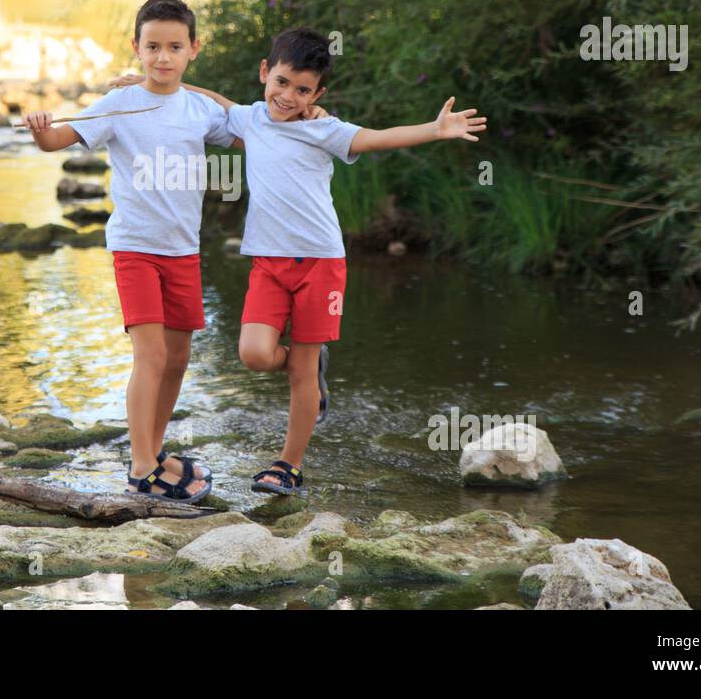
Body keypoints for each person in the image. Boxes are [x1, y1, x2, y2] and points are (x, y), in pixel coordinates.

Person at [130, 25, 487, 495]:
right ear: (265, 74)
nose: (288, 96)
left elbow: (377, 138)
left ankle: (288, 464)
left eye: (302, 90)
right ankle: (311, 367)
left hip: (320, 263)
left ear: (318, 93)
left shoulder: (325, 129)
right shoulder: (251, 120)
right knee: (255, 354)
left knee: (300, 369)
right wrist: (154, 86)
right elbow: (214, 101)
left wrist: (435, 130)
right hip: (268, 264)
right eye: (281, 83)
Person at [21, 0, 232, 503]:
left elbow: (249, 123)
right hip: (135, 247)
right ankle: (141, 469)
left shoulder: (200, 109)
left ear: (193, 49)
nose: (163, 57)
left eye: (175, 47)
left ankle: (154, 452)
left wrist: (307, 112)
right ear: (135, 48)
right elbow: (56, 142)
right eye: (153, 47)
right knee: (152, 354)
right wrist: (39, 127)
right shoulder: (119, 104)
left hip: (183, 249)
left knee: (179, 357)